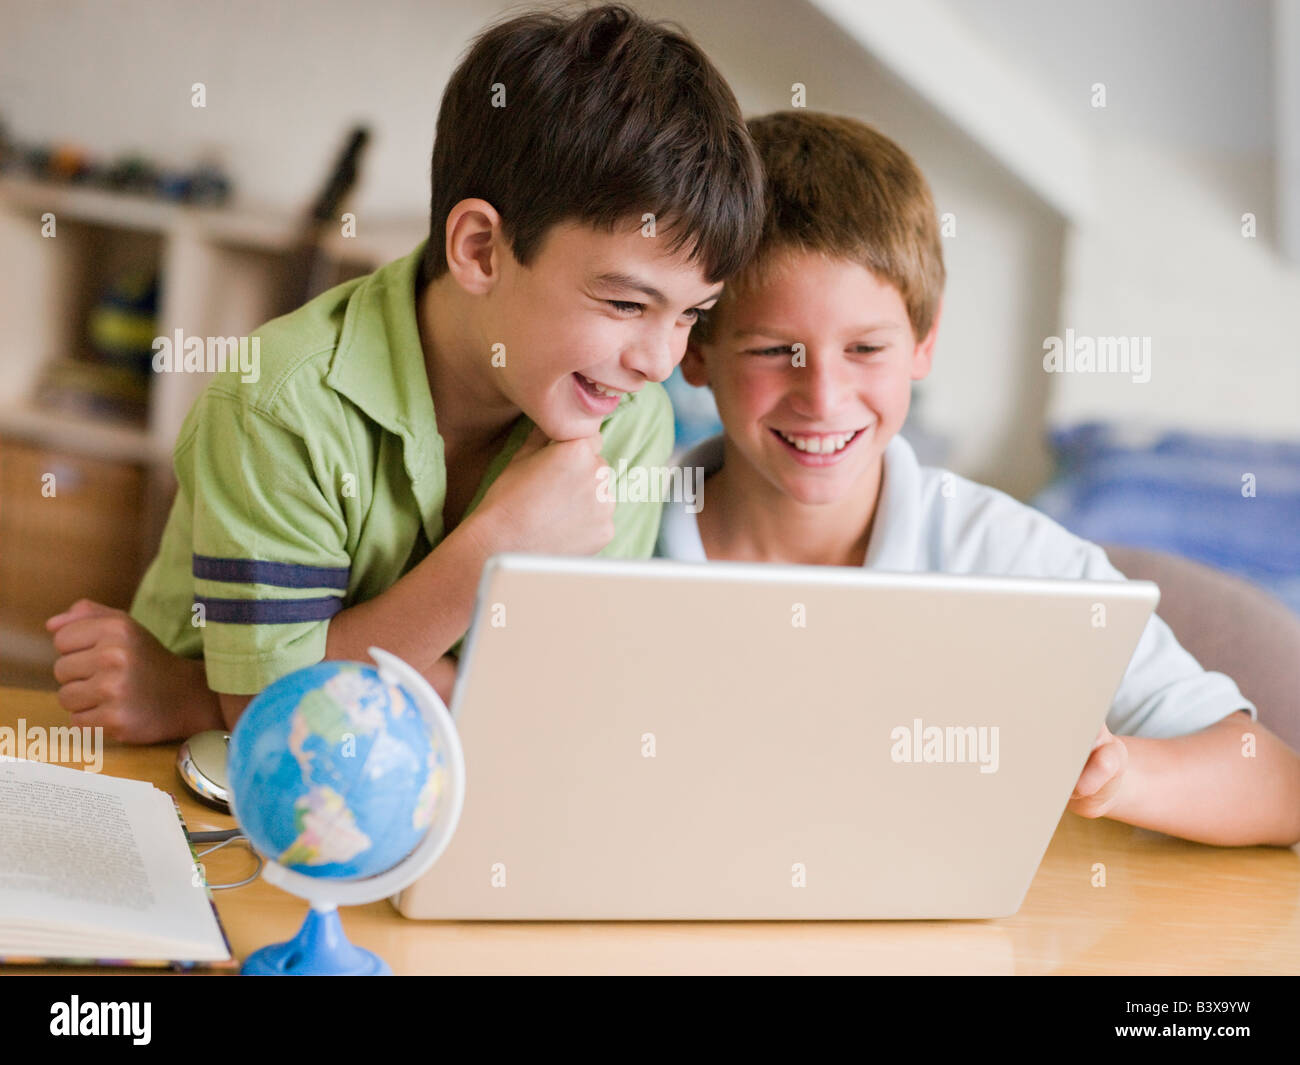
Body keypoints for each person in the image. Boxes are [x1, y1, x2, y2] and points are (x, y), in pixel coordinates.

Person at [45, 4, 763, 743]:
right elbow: (279, 719)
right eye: (623, 302)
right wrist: (494, 543)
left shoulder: (630, 417)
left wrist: (205, 690)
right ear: (481, 249)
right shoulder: (282, 405)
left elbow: (544, 707)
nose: (658, 360)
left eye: (690, 316)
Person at [657, 110, 1300, 846]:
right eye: (774, 350)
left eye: (866, 347)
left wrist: (1115, 772)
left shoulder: (1000, 554)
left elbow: (1275, 782)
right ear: (695, 349)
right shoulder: (612, 537)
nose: (823, 397)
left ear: (923, 346)